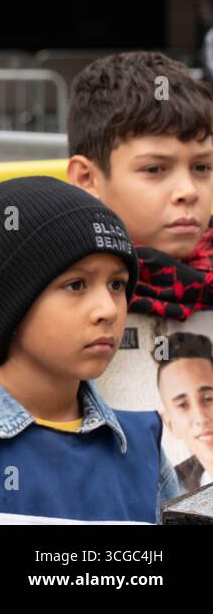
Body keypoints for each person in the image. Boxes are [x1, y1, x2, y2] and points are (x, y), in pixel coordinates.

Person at [0, 177, 183, 524]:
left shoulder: (142, 447)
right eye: (75, 285)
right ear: (11, 305)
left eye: (117, 284)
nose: (108, 309)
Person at [64, 52, 213, 415]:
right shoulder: (51, 300)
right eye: (155, 169)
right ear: (87, 178)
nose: (188, 190)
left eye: (202, 167)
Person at [155, 332, 213, 491]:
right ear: (170, 424)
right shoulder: (169, 493)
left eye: (208, 399)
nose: (200, 418)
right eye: (182, 405)